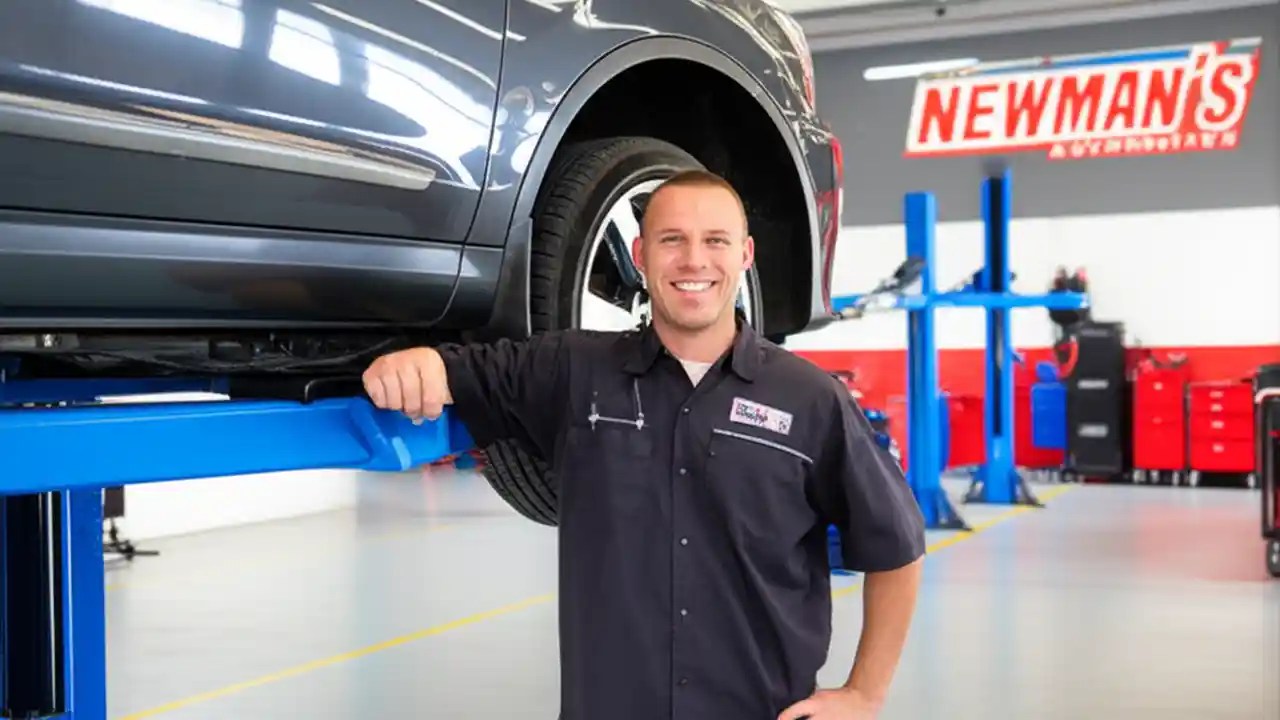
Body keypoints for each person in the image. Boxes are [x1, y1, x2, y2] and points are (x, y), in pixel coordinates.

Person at [362, 169, 927, 719]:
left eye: (715, 241)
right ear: (640, 255)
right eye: (672, 240)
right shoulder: (572, 370)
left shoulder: (810, 399)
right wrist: (415, 361)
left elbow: (896, 546)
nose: (694, 261)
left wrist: (864, 695)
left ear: (745, 255)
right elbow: (461, 372)